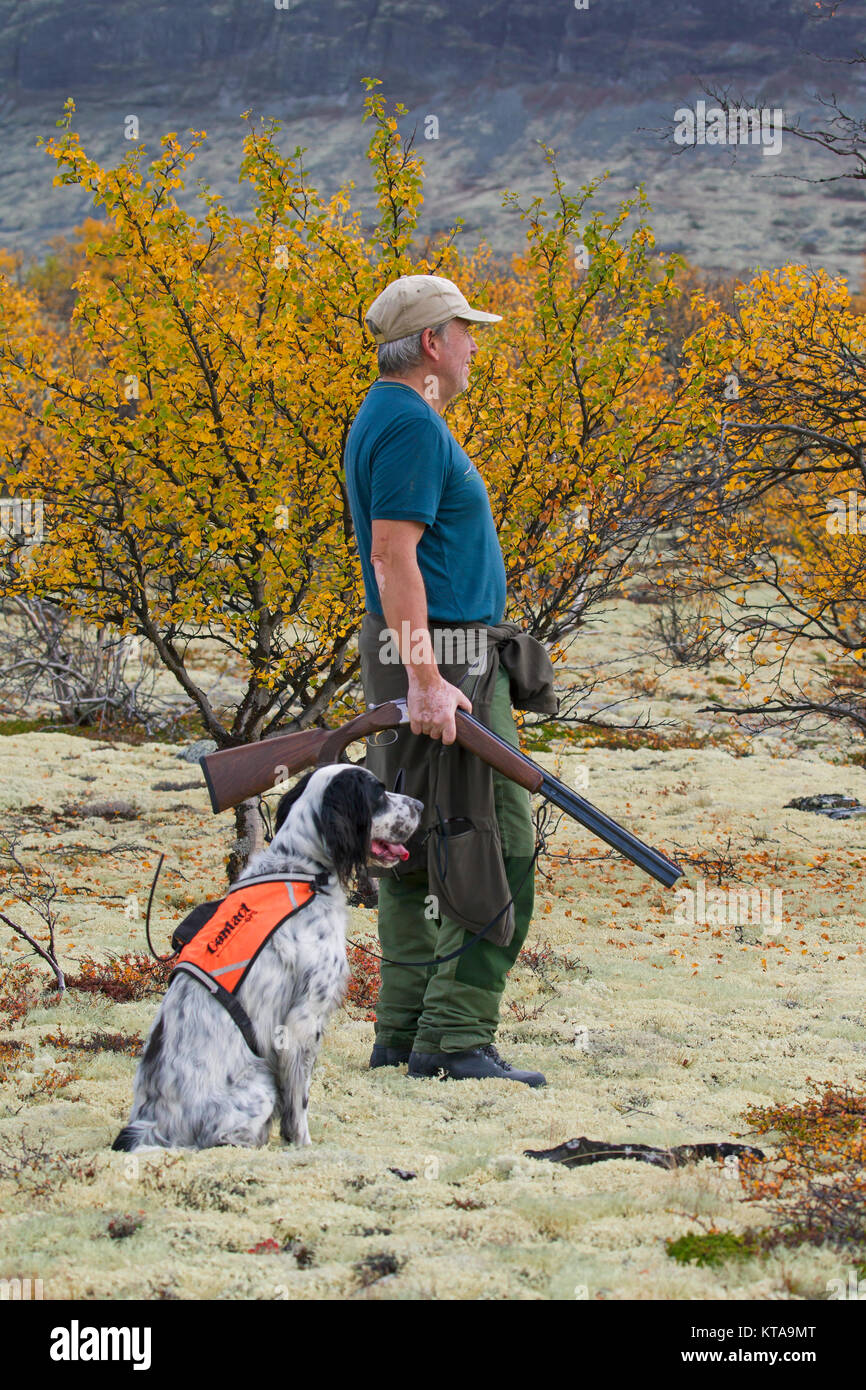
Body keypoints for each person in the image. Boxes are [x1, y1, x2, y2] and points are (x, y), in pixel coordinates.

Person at [343, 274, 549, 1087]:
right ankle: (455, 1040)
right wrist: (428, 678)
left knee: (411, 841)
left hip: (418, 653)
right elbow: (392, 553)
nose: (474, 344)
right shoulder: (412, 427)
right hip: (444, 660)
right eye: (466, 329)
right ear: (432, 343)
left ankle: (402, 1032)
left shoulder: (386, 416)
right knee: (495, 842)